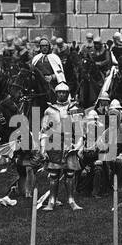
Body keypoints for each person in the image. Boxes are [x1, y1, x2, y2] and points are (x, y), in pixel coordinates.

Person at [39, 81, 82, 212]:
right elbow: (44, 131)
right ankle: (52, 200)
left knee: (70, 173)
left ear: (68, 93)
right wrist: (42, 148)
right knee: (54, 174)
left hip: (69, 142)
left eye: (64, 92)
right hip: (54, 142)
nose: (62, 94)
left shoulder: (75, 109)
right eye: (59, 92)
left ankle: (71, 200)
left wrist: (78, 146)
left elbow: (80, 131)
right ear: (56, 93)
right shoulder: (49, 110)